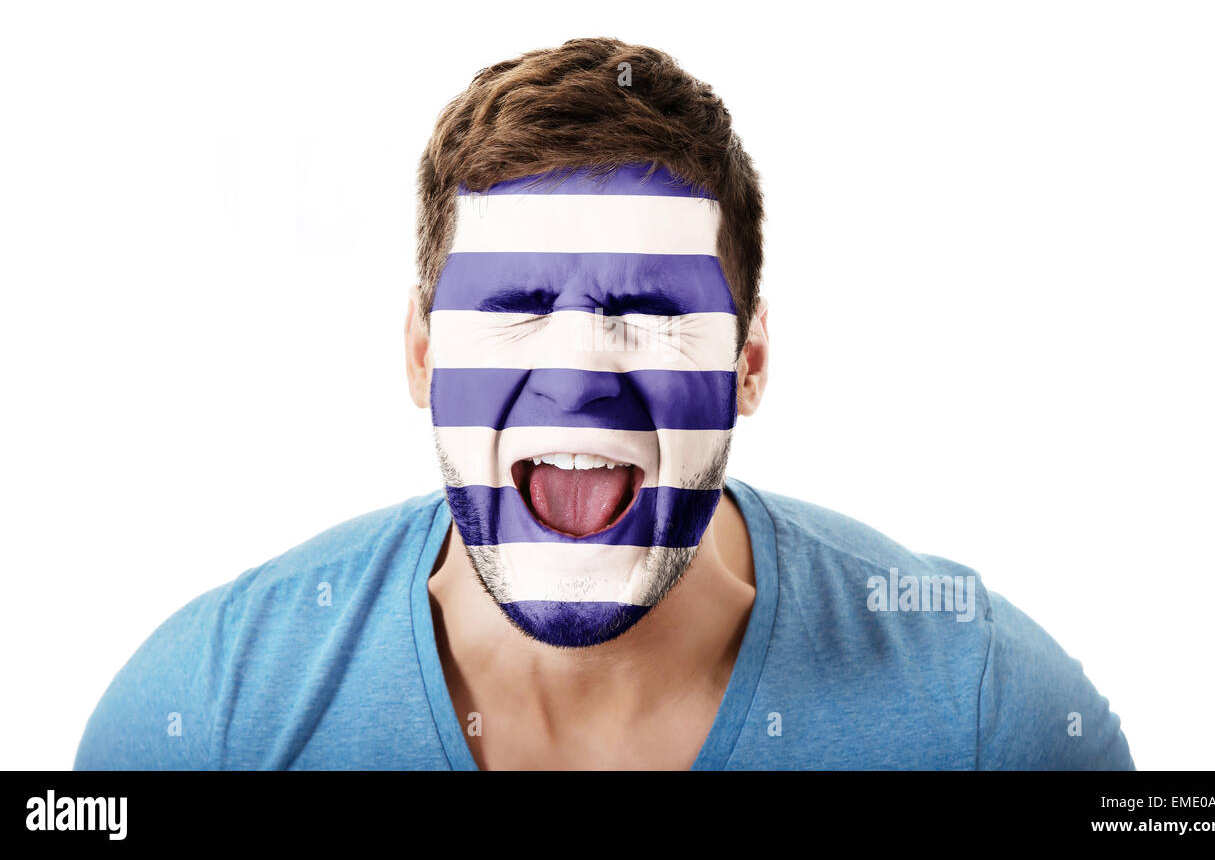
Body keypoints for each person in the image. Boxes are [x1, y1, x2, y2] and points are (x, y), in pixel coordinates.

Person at [74, 37, 1134, 770]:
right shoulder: (208, 715)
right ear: (419, 353)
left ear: (749, 361)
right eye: (520, 307)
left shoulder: (987, 715)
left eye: (642, 308)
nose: (579, 377)